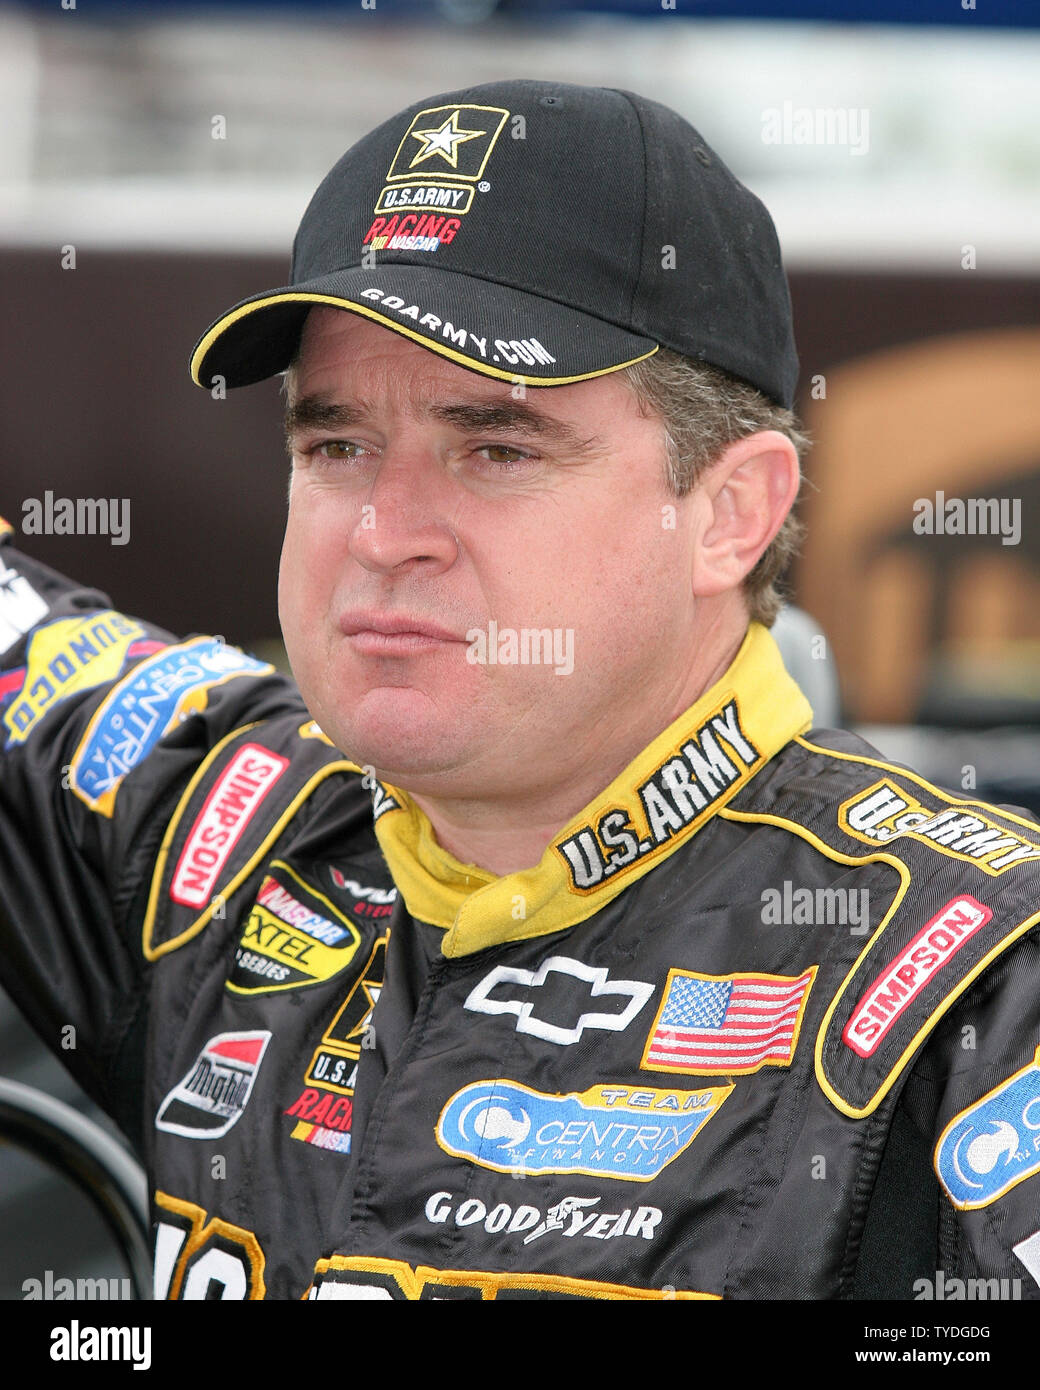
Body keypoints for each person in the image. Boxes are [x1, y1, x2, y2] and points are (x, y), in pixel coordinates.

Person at [2, 77, 1039, 1302]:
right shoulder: (213, 829)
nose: (384, 530)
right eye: (336, 445)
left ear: (729, 513)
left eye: (496, 447)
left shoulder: (979, 983)